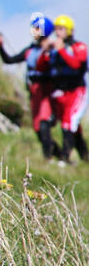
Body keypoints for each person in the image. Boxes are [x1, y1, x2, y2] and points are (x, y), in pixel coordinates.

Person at [0, 13, 58, 159]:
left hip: (47, 91)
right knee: (37, 128)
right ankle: (59, 155)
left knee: (44, 124)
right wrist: (0, 46)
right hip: (34, 92)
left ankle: (48, 158)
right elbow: (9, 60)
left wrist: (49, 51)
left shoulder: (53, 48)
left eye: (37, 28)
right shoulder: (30, 50)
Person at [43, 14, 88, 164]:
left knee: (69, 122)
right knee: (73, 126)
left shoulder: (78, 46)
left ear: (69, 30)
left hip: (77, 90)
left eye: (61, 29)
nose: (58, 32)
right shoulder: (54, 50)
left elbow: (76, 64)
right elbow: (46, 69)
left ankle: (65, 158)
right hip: (61, 92)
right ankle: (85, 157)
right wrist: (46, 51)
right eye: (56, 29)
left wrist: (61, 50)